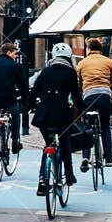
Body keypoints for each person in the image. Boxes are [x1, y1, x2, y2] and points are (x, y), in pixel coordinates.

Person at [29, 42, 83, 194]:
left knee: (48, 146)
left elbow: (34, 92)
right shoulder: (70, 73)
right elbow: (76, 97)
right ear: (69, 57)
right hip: (62, 116)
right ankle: (70, 176)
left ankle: (42, 180)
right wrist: (83, 108)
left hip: (44, 116)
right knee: (65, 144)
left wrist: (30, 106)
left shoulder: (45, 72)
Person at [0, 42, 31, 156]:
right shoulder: (15, 66)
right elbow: (22, 85)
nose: (16, 56)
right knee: (16, 115)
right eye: (14, 53)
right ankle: (15, 141)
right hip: (9, 99)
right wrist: (24, 101)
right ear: (8, 52)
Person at [77, 38, 112, 169]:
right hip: (104, 95)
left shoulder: (82, 63)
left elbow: (78, 84)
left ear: (88, 49)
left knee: (87, 127)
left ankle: (85, 157)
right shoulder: (109, 62)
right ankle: (108, 158)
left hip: (89, 96)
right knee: (105, 127)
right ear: (100, 49)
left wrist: (80, 100)